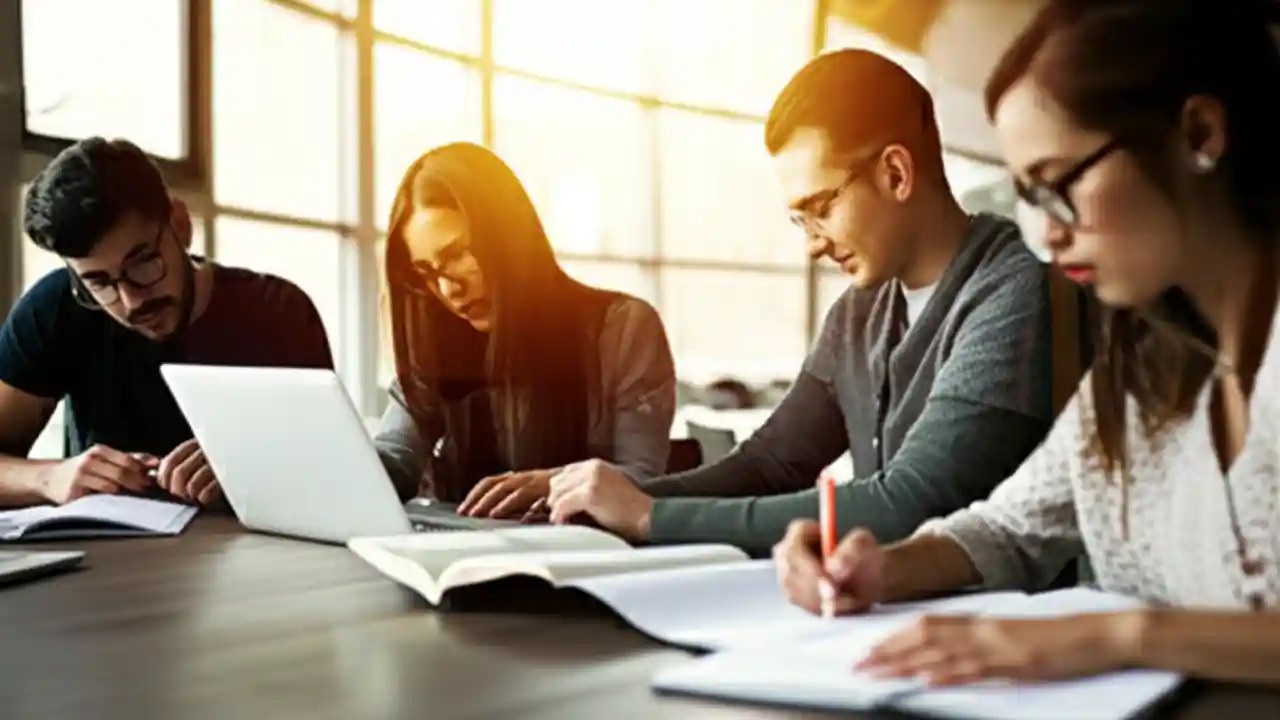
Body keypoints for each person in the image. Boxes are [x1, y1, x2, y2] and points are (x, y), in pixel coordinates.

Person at [774, 0, 1280, 688]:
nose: (1045, 237)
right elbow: (1008, 530)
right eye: (1028, 200)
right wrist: (883, 567)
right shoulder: (1139, 377)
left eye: (1060, 186)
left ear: (1199, 132)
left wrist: (1122, 634)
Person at [541, 50, 1060, 555]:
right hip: (875, 609)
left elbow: (911, 503)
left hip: (984, 628)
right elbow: (769, 464)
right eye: (801, 220)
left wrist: (647, 516)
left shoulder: (1014, 290)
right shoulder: (861, 310)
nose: (812, 244)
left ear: (896, 174)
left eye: (821, 208)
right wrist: (587, 497)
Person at [0, 137, 334, 509]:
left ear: (180, 225)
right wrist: (49, 477)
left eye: (143, 263)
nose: (131, 301)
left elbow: (333, 473)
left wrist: (249, 470)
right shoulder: (56, 307)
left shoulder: (278, 313)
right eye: (98, 282)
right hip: (107, 560)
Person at [373, 142, 676, 511]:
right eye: (427, 272)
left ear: (508, 238)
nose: (449, 289)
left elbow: (644, 484)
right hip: (459, 555)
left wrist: (555, 484)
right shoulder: (437, 342)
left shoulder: (622, 329)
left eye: (457, 255)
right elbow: (394, 455)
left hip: (582, 556)